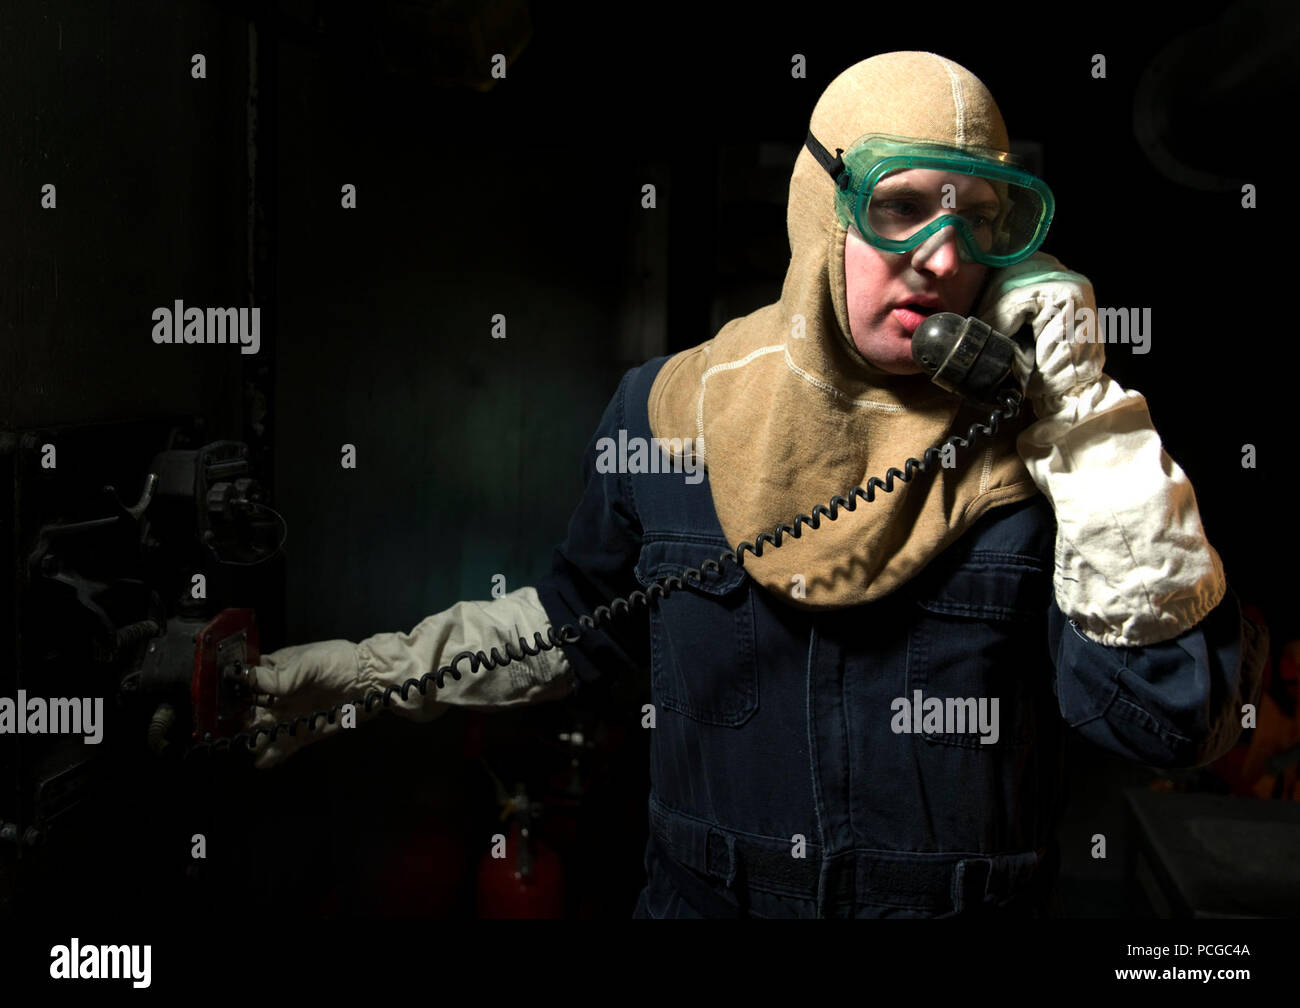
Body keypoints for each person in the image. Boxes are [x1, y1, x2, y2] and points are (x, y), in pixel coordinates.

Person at [248, 51, 1266, 918]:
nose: (943, 257)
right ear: (823, 212)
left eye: (981, 220)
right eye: (901, 208)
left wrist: (1081, 421)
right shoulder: (670, 411)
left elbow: (1162, 722)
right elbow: (578, 627)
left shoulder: (1047, 440)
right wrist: (378, 674)